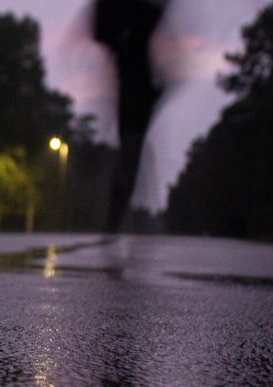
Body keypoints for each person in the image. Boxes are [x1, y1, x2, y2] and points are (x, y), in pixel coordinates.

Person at [93, 0, 169, 232]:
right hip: (132, 83)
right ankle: (114, 219)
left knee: (132, 154)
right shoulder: (125, 17)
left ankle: (116, 218)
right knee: (130, 152)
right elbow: (102, 30)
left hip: (139, 82)